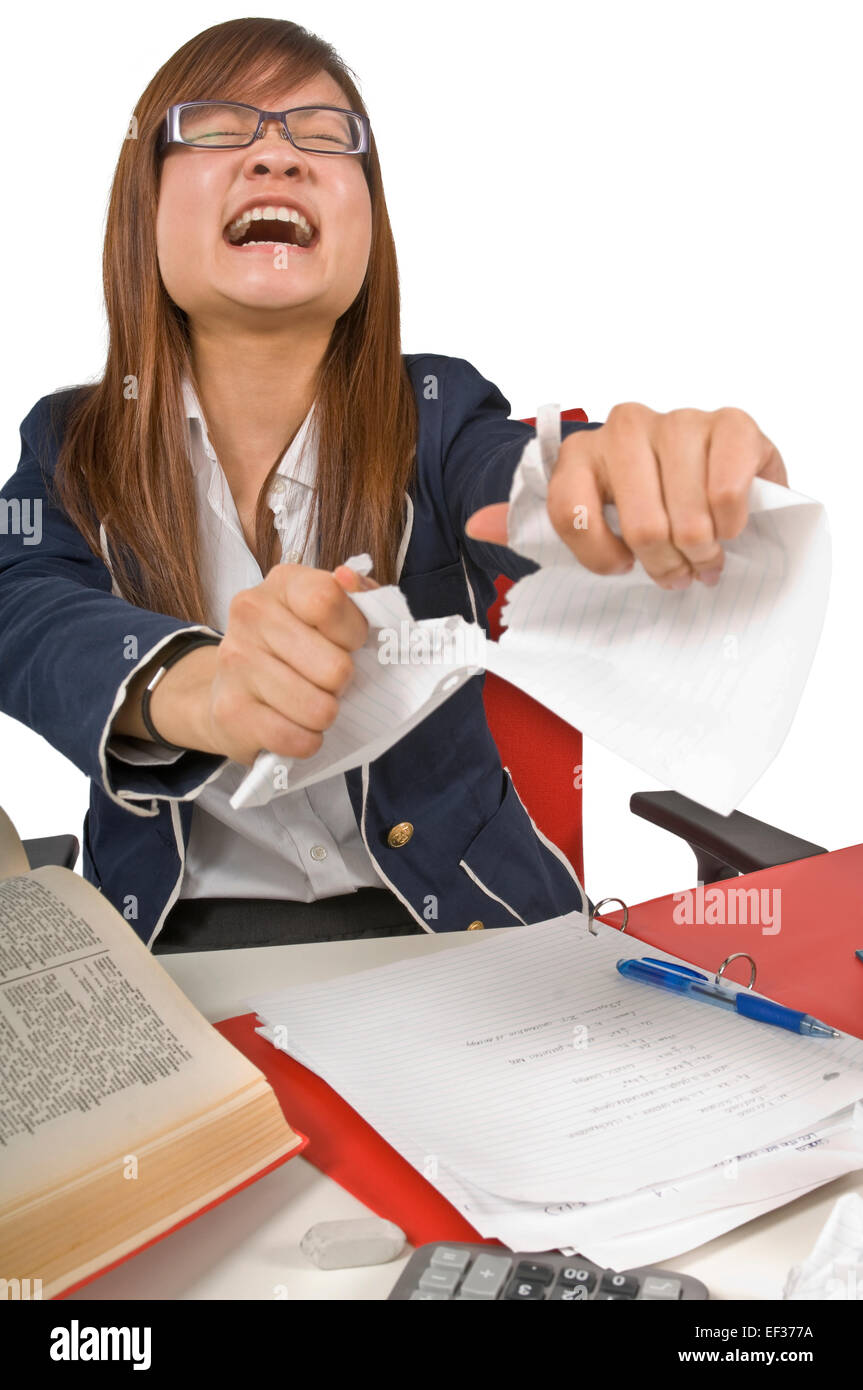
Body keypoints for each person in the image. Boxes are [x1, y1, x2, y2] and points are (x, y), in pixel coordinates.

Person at [0, 18, 787, 953]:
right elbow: (22, 604)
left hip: (461, 930)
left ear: (369, 223)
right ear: (146, 211)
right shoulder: (72, 440)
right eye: (219, 127)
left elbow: (521, 481)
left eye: (320, 134)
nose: (276, 158)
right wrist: (197, 689)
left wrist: (610, 489)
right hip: (183, 944)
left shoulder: (441, 409)